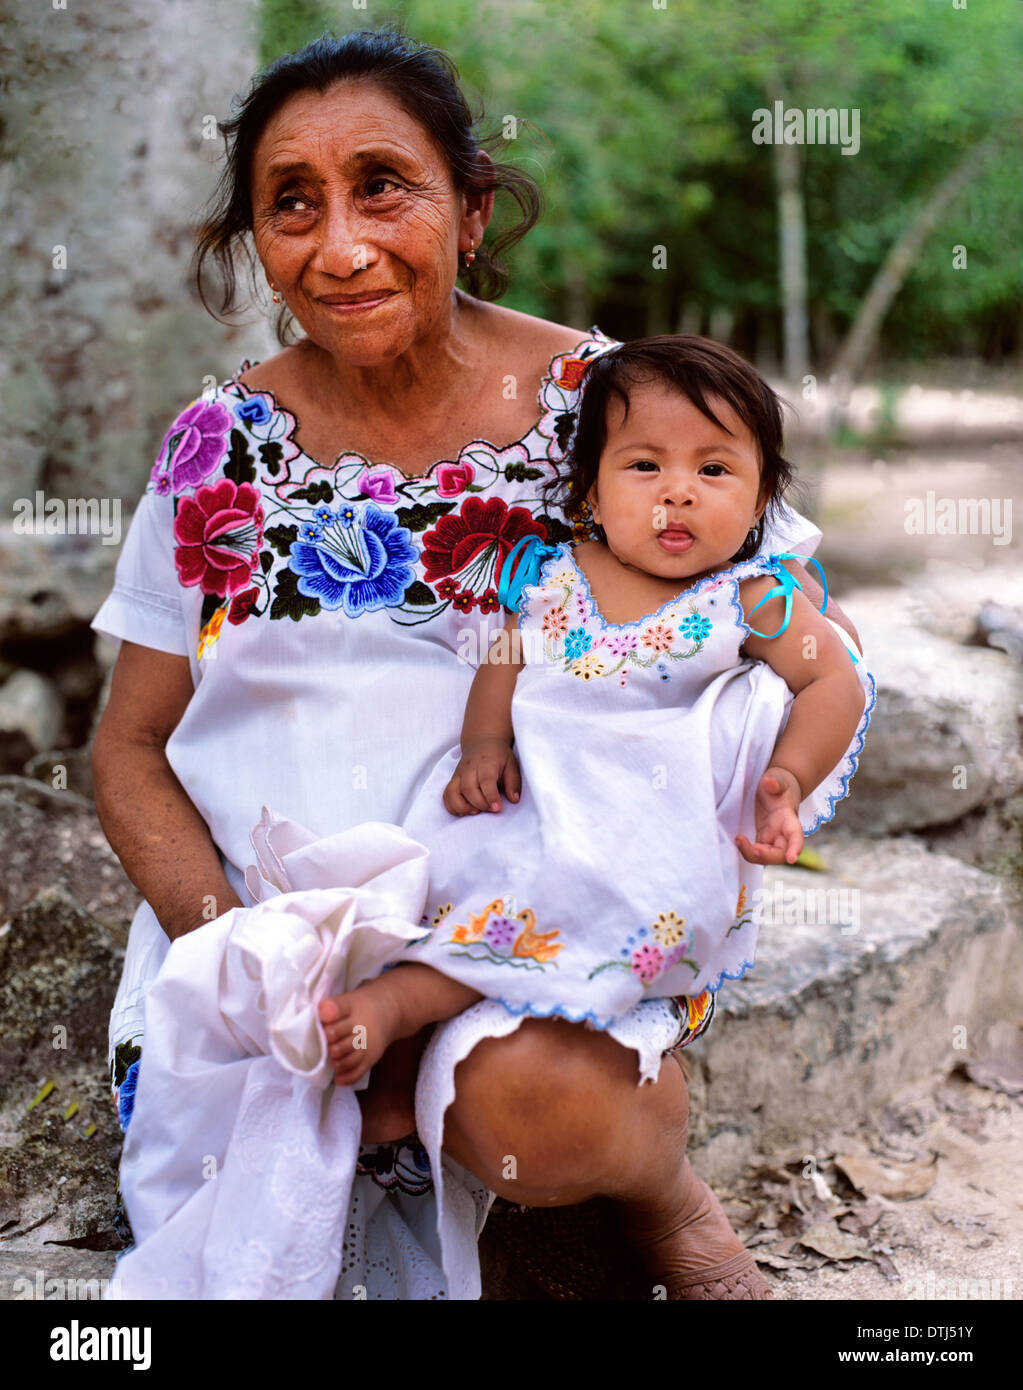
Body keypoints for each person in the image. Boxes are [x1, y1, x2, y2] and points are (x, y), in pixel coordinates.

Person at [90, 27, 863, 1300]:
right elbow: (127, 744)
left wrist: (713, 809)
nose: (339, 246)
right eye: (292, 204)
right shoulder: (215, 449)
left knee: (535, 1111)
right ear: (258, 240)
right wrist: (235, 954)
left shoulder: (612, 409)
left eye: (382, 185)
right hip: (281, 933)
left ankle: (667, 1195)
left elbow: (793, 635)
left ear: (472, 203)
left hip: (537, 907)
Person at [317, 337, 874, 1196]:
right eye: (644, 465)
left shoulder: (751, 597)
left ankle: (402, 1018)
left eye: (715, 471)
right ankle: (393, 1047)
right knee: (464, 887)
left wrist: (788, 778)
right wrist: (483, 748)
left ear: (762, 497)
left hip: (633, 822)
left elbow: (832, 679)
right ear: (589, 492)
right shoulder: (558, 577)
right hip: (532, 798)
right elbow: (502, 664)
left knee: (568, 906)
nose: (677, 491)